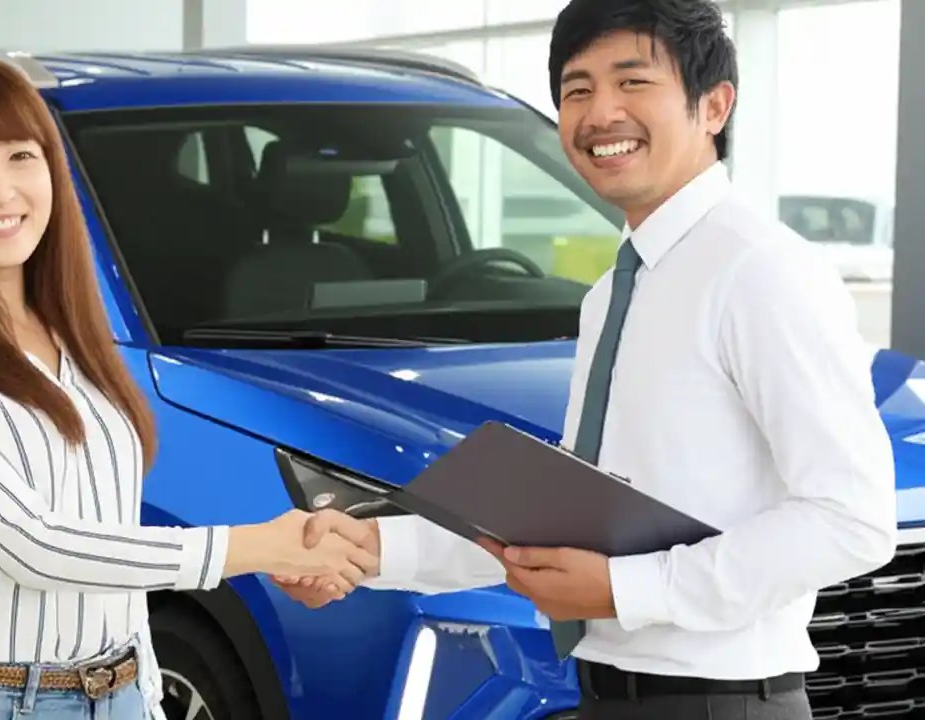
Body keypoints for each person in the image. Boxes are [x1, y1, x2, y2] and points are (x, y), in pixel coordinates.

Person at [275, 1, 898, 718]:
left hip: (720, 704)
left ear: (714, 105)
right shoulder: (615, 292)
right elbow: (561, 530)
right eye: (577, 90)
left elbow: (851, 518)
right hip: (606, 697)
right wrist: (368, 549)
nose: (601, 113)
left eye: (633, 83)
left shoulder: (760, 272)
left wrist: (623, 591)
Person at [0, 56, 375, 720]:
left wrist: (146, 695)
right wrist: (257, 547)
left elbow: (109, 543)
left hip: (119, 693)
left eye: (20, 155)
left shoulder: (76, 336)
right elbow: (35, 545)